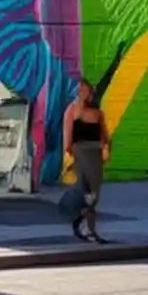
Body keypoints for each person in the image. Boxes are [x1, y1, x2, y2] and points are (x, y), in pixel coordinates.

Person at [63, 78, 110, 244]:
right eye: (79, 88)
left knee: (94, 195)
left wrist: (105, 151)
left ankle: (88, 227)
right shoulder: (72, 110)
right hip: (80, 154)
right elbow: (67, 137)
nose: (82, 91)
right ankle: (86, 226)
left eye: (85, 88)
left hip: (94, 155)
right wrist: (69, 155)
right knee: (85, 193)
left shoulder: (97, 113)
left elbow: (104, 136)